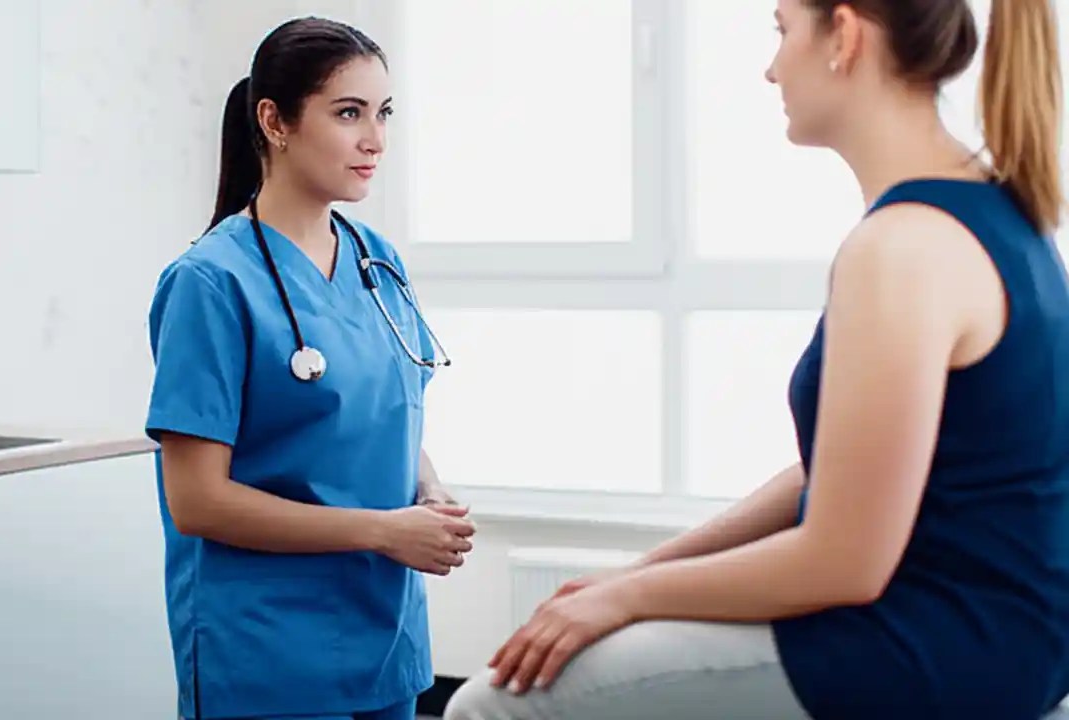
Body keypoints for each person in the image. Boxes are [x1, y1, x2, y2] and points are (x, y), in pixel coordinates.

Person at [446, 0, 1069, 718]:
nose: (771, 67)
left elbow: (845, 560)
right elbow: (847, 470)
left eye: (782, 30)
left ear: (844, 35)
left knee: (492, 704)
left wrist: (627, 597)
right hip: (1007, 642)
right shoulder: (997, 217)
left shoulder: (904, 247)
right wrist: (644, 570)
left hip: (933, 645)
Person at [144, 16, 476, 720]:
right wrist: (384, 530)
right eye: (348, 113)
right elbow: (198, 501)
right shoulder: (210, 283)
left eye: (383, 113)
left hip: (382, 634)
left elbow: (380, 413)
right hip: (265, 648)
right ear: (275, 121)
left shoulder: (376, 261)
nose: (375, 139)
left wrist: (428, 488)